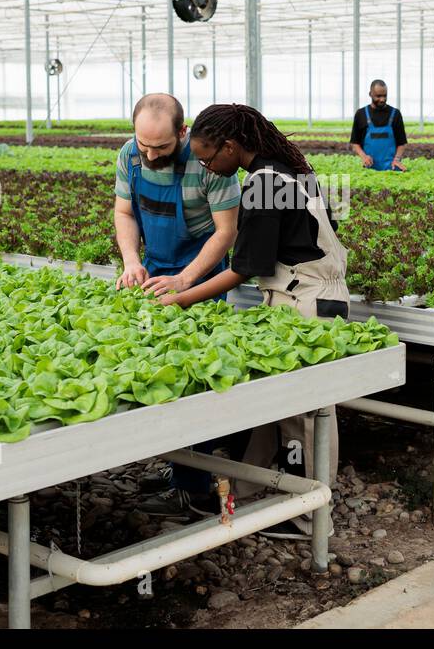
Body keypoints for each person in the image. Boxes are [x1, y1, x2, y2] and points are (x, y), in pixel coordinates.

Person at [159, 103, 350, 538]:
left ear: (231, 146)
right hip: (312, 296)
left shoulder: (263, 184)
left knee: (308, 413)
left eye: (209, 157)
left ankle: (308, 518)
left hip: (305, 302)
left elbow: (243, 267)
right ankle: (247, 490)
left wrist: (182, 298)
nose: (207, 166)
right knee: (277, 405)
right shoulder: (289, 169)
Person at [113, 93, 240, 516]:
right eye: (144, 145)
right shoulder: (130, 156)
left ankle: (195, 486)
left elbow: (226, 231)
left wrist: (186, 279)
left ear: (182, 134)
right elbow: (125, 213)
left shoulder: (207, 162)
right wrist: (132, 261)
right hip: (154, 273)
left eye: (161, 148)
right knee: (160, 371)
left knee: (197, 375)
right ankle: (179, 467)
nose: (149, 154)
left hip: (200, 278)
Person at [350, 80, 408, 171]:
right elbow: (355, 143)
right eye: (378, 96)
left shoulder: (395, 114)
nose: (382, 99)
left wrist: (397, 159)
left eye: (385, 96)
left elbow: (402, 143)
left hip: (392, 168)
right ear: (370, 94)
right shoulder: (361, 114)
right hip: (368, 170)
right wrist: (364, 156)